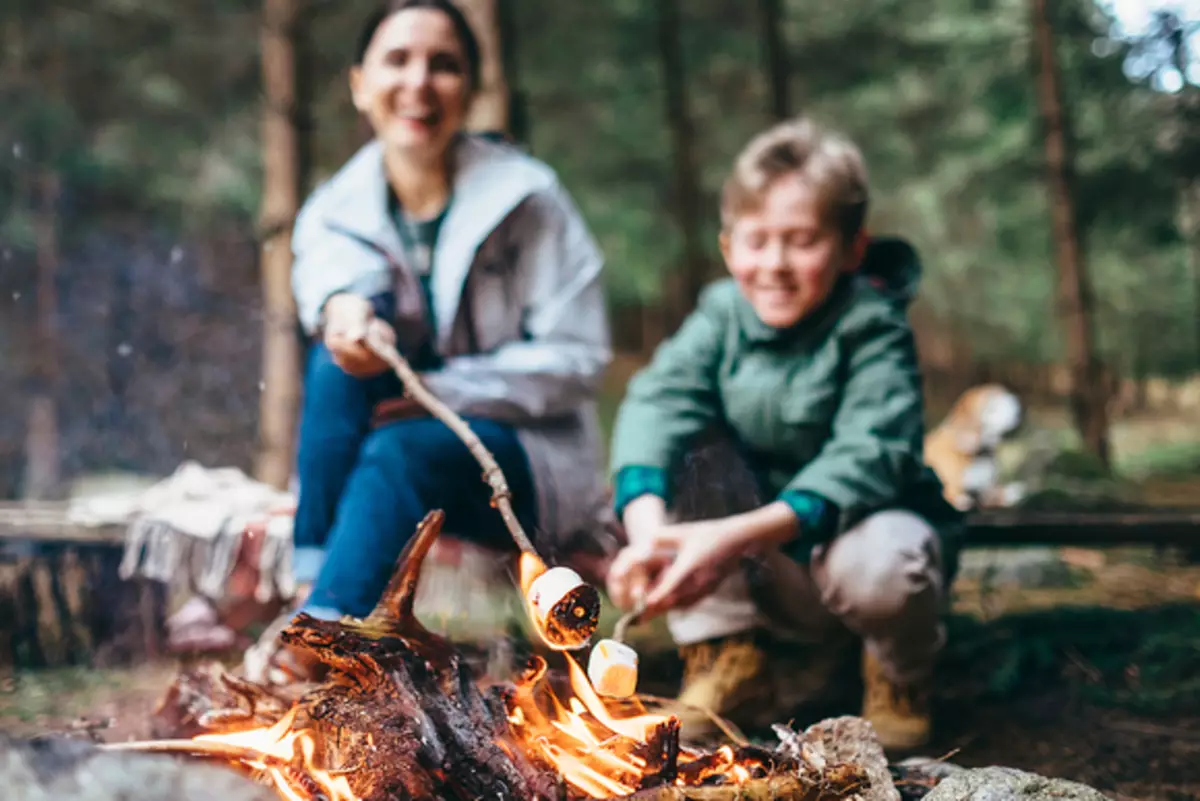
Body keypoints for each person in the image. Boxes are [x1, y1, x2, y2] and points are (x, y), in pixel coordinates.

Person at [603, 117, 964, 753]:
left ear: (852, 249)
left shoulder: (873, 327)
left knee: (887, 558)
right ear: (726, 246)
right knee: (687, 452)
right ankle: (728, 656)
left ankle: (898, 674)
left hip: (846, 555)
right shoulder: (722, 315)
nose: (773, 264)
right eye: (757, 241)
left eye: (801, 241)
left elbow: (871, 454)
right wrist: (649, 536)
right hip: (760, 565)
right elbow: (656, 403)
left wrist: (727, 537)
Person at [285, 0, 611, 631]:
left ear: (470, 88)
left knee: (402, 447)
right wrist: (346, 313)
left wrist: (438, 391)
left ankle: (322, 630)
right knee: (335, 366)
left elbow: (579, 360)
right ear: (360, 84)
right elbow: (333, 280)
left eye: (444, 65)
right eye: (397, 61)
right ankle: (310, 588)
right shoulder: (336, 209)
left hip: (525, 466)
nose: (418, 83)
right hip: (403, 471)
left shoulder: (529, 199)